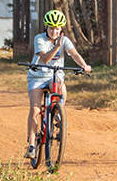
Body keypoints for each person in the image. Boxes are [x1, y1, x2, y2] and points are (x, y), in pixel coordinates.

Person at [25, 9, 92, 158]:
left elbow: (74, 54)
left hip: (54, 75)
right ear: (46, 27)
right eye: (51, 28)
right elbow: (45, 59)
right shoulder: (39, 39)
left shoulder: (65, 40)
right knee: (35, 109)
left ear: (61, 28)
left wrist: (84, 65)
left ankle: (57, 113)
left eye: (57, 28)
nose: (54, 32)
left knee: (61, 90)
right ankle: (31, 145)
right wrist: (56, 46)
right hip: (37, 76)